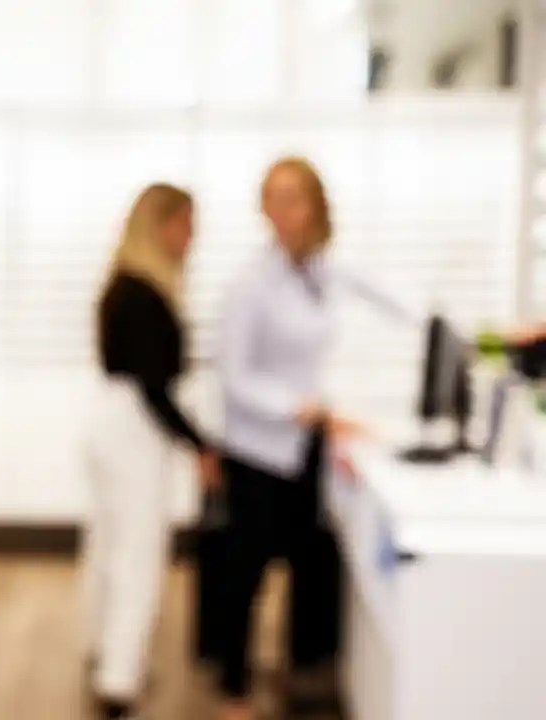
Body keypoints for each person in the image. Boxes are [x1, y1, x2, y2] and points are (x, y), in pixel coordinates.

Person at [214, 157, 413, 720]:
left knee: (308, 562)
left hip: (305, 449)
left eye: (292, 197)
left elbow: (393, 300)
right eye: (271, 198)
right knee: (246, 570)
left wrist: (471, 331)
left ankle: (299, 672)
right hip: (257, 448)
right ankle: (234, 685)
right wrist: (302, 410)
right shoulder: (251, 283)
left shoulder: (322, 271)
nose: (281, 211)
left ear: (316, 205)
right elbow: (234, 376)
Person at [84, 183, 220, 720]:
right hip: (133, 432)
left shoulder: (123, 285)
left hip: (108, 422)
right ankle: (119, 679)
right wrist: (200, 445)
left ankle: (101, 653)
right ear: (159, 225)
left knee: (107, 547)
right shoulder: (144, 293)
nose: (193, 238)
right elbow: (154, 387)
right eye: (186, 224)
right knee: (137, 555)